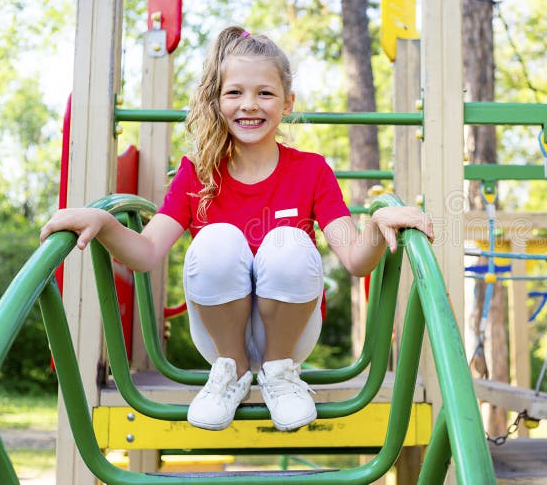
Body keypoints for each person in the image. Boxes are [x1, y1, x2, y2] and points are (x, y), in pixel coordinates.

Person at [40, 26, 434, 432]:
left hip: (290, 332)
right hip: (218, 336)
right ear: (217, 100)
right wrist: (104, 222)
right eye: (234, 93)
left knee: (288, 241)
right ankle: (231, 373)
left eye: (265, 93)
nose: (250, 105)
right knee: (217, 239)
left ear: (287, 102)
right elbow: (144, 253)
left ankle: (280, 373)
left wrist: (375, 225)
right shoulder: (199, 173)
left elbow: (354, 259)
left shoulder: (310, 169)